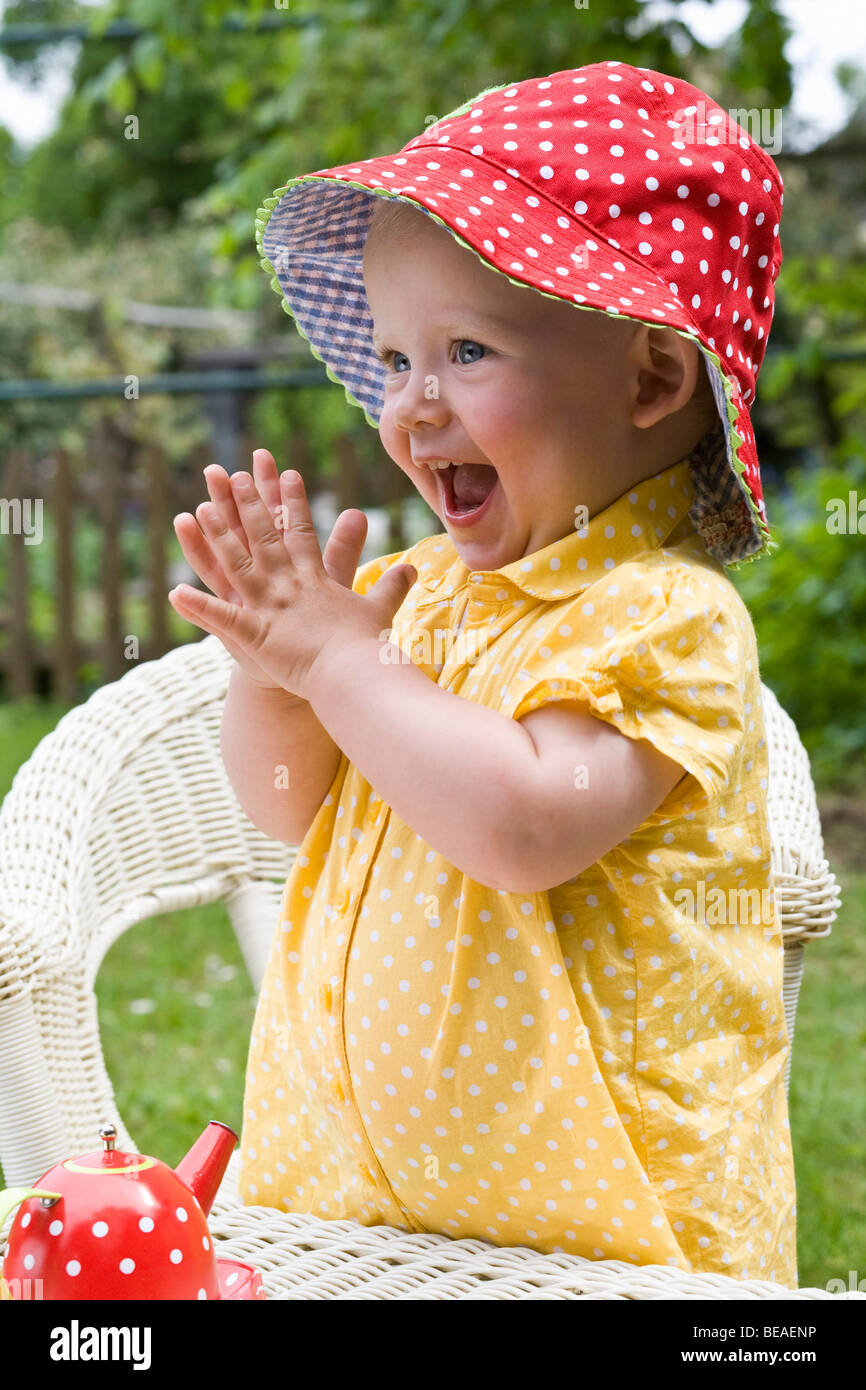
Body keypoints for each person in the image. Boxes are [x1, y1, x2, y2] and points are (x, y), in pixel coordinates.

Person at [169, 61, 796, 1284]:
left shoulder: (666, 617)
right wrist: (279, 672)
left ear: (650, 381)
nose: (410, 410)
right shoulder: (423, 591)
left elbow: (519, 824)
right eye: (394, 362)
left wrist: (343, 663)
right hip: (353, 1207)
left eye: (463, 350)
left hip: (605, 1246)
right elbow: (291, 801)